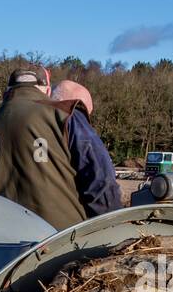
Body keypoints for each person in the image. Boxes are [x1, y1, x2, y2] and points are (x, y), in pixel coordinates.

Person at [0, 67, 87, 231]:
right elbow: (101, 180)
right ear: (48, 91)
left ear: (6, 92)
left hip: (0, 240)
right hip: (63, 240)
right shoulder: (65, 115)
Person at [50, 80, 121, 218]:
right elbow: (101, 181)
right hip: (62, 229)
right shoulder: (72, 118)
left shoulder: (25, 122)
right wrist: (114, 223)